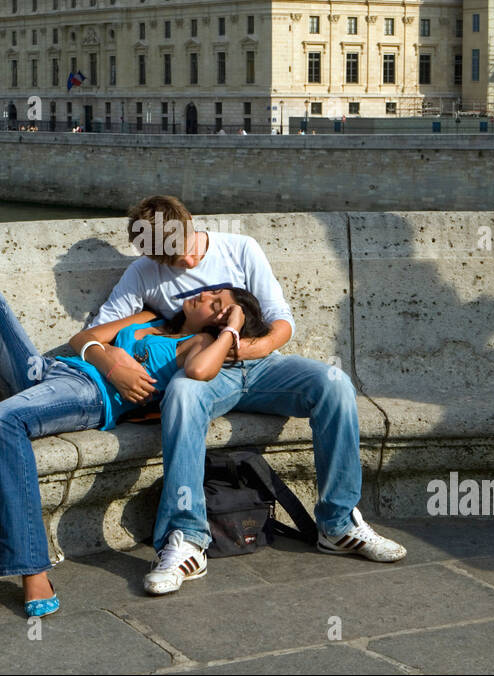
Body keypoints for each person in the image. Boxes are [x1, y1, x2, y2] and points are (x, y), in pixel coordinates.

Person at [0, 275, 268, 615]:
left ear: (218, 325)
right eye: (212, 291)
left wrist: (231, 329)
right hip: (48, 371)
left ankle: (32, 567)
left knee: (3, 419)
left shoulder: (195, 345)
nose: (206, 296)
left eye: (217, 304)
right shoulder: (148, 317)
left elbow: (198, 372)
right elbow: (82, 339)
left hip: (88, 395)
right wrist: (111, 359)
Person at [89, 195, 406, 596]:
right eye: (171, 261)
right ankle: (187, 538)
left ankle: (338, 524)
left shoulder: (240, 248)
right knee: (184, 395)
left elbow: (282, 323)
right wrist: (111, 359)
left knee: (333, 382)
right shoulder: (143, 272)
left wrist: (242, 347)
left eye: (185, 250)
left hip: (262, 366)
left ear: (189, 225)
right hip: (205, 374)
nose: (185, 264)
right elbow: (100, 330)